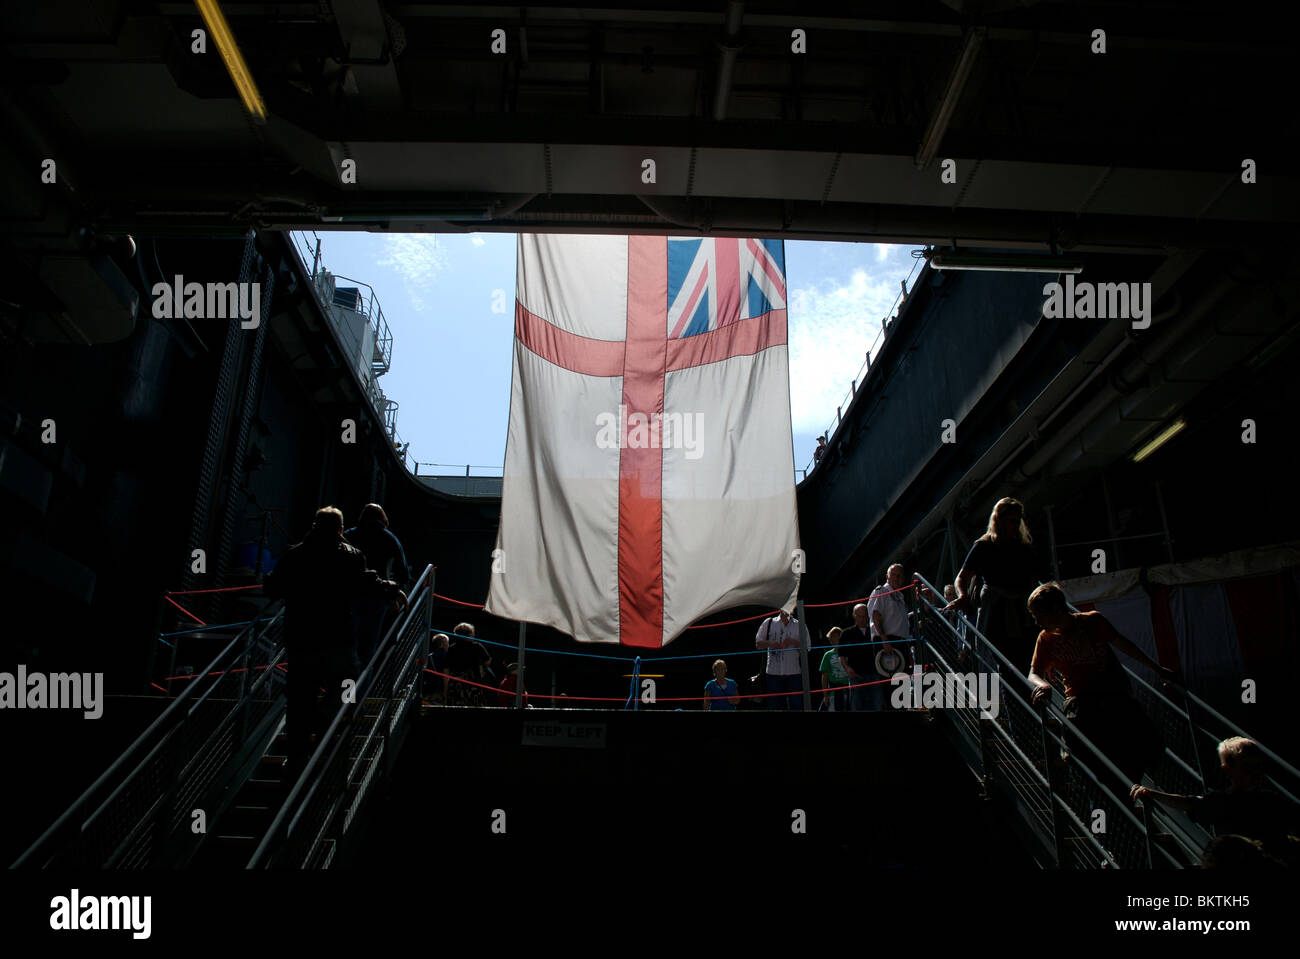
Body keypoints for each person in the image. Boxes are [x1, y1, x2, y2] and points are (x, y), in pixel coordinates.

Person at [263, 506, 406, 771]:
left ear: (315, 524)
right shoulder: (350, 556)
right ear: (340, 529)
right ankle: (328, 736)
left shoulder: (295, 555)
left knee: (299, 700)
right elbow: (367, 581)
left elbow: (272, 586)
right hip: (338, 638)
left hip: (301, 640)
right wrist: (393, 589)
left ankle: (296, 759)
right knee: (345, 685)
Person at [1026, 582, 1172, 786]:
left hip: (1114, 693)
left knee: (1152, 743)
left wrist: (1157, 669)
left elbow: (1124, 644)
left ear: (1056, 610)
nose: (1037, 621)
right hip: (1082, 699)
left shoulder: (1092, 621)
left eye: (1039, 615)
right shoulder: (1046, 639)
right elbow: (1033, 673)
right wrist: (1042, 685)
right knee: (1095, 752)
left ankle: (1139, 781)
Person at [1131, 737, 1298, 865]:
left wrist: (1153, 794)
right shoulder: (1273, 801)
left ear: (1226, 769)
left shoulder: (1225, 802)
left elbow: (1188, 803)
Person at [945, 497, 1047, 673]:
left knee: (1028, 661)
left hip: (1024, 613)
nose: (1015, 525)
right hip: (996, 613)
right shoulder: (984, 546)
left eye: (1017, 521)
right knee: (1007, 665)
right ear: (1000, 521)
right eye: (1011, 521)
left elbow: (1033, 581)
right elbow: (962, 577)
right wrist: (962, 595)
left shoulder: (1024, 549)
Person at [345, 503, 410, 666]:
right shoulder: (389, 538)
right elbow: (403, 572)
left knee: (347, 644)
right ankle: (360, 688)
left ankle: (346, 688)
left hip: (348, 595)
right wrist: (395, 592)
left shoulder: (349, 536)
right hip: (378, 596)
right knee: (368, 648)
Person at [755, 609, 808, 710]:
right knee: (774, 706)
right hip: (773, 673)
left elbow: (807, 648)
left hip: (793, 673)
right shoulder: (769, 622)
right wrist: (771, 643)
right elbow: (758, 644)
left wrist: (793, 642)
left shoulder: (799, 625)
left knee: (796, 706)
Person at [868, 564, 913, 682]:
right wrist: (884, 640)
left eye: (899, 576)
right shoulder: (882, 591)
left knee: (903, 683)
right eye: (893, 575)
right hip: (887, 642)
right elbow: (876, 616)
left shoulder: (900, 596)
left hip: (901, 643)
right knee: (890, 684)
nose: (896, 578)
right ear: (887, 577)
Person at [839, 603, 883, 711]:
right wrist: (847, 668)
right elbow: (841, 655)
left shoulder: (875, 632)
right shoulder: (846, 633)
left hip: (874, 673)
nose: (862, 619)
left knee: (876, 705)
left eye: (864, 616)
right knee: (857, 706)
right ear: (854, 615)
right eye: (859, 616)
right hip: (856, 675)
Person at [445, 622, 493, 707]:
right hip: (472, 684)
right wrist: (482, 666)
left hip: (456, 684)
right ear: (469, 634)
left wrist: (445, 687)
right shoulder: (476, 646)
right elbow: (487, 660)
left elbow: (446, 668)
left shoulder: (452, 648)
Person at [819, 627, 850, 712]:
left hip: (849, 692)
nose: (837, 638)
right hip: (833, 694)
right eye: (834, 636)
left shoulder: (849, 652)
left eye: (838, 636)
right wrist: (825, 696)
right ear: (830, 639)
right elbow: (824, 677)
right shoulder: (828, 655)